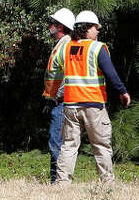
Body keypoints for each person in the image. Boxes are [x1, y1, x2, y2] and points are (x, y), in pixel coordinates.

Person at [55, 10, 130, 184]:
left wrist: (58, 93)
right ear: (87, 28)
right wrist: (122, 91)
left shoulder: (66, 48)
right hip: (93, 104)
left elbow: (64, 74)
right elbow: (111, 73)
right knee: (101, 145)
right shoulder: (97, 48)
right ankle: (107, 182)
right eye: (96, 27)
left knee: (68, 145)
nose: (98, 31)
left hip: (71, 105)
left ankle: (62, 182)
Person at [42, 7, 76, 183]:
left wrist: (59, 95)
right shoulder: (60, 44)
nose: (49, 25)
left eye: (52, 23)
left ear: (61, 26)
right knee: (56, 140)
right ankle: (57, 179)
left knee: (56, 141)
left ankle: (58, 180)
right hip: (55, 101)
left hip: (61, 102)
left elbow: (69, 74)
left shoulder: (65, 45)